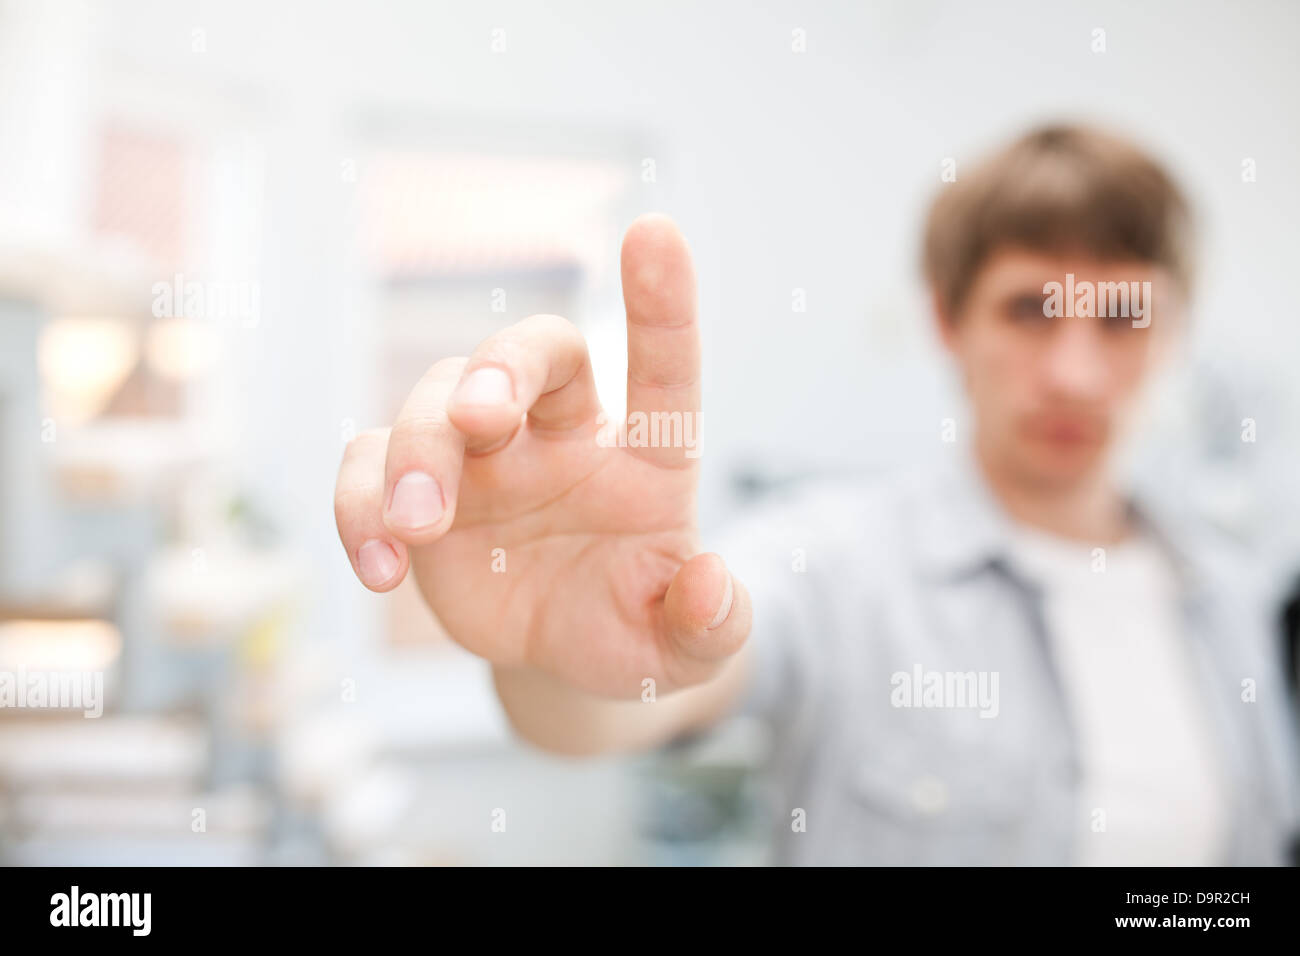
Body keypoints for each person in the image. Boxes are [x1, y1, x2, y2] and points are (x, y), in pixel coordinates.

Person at [332, 124, 1299, 865]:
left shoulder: (1230, 590)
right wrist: (561, 654)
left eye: (1123, 316)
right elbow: (635, 699)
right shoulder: (836, 566)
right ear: (946, 319)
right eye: (1031, 309)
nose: (1077, 372)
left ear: (1173, 333)